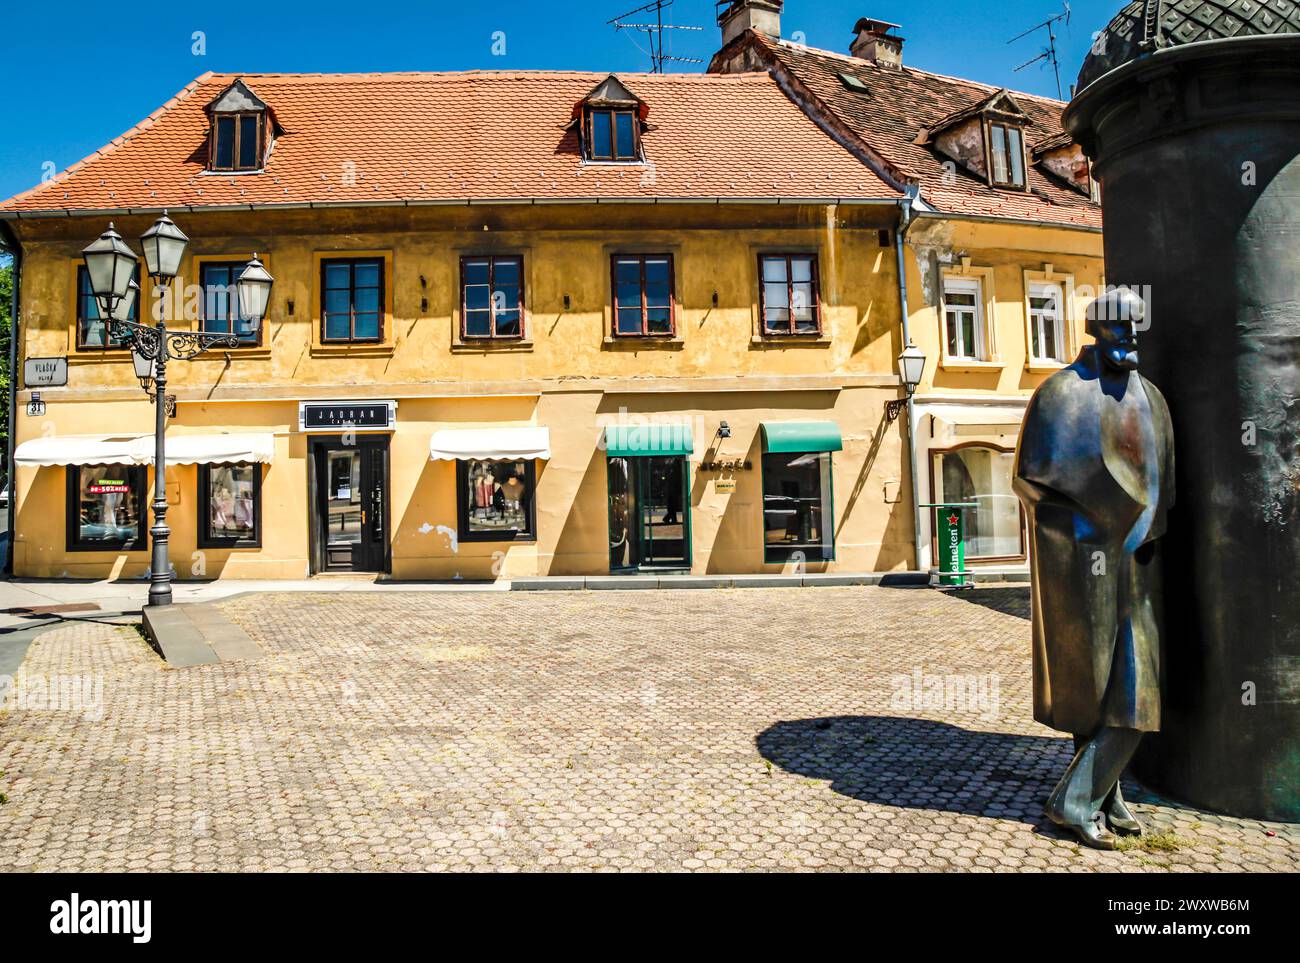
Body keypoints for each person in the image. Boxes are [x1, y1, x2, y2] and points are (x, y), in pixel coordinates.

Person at [1013, 288, 1175, 850]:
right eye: (1117, 328)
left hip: (1139, 563)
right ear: (1095, 329)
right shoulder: (1060, 393)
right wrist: (1096, 523)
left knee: (1135, 690)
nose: (1128, 337)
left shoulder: (1151, 396)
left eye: (1135, 328)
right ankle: (1082, 798)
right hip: (1085, 563)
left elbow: (1162, 481)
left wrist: (1148, 519)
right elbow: (1034, 478)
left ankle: (1096, 794)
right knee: (1101, 687)